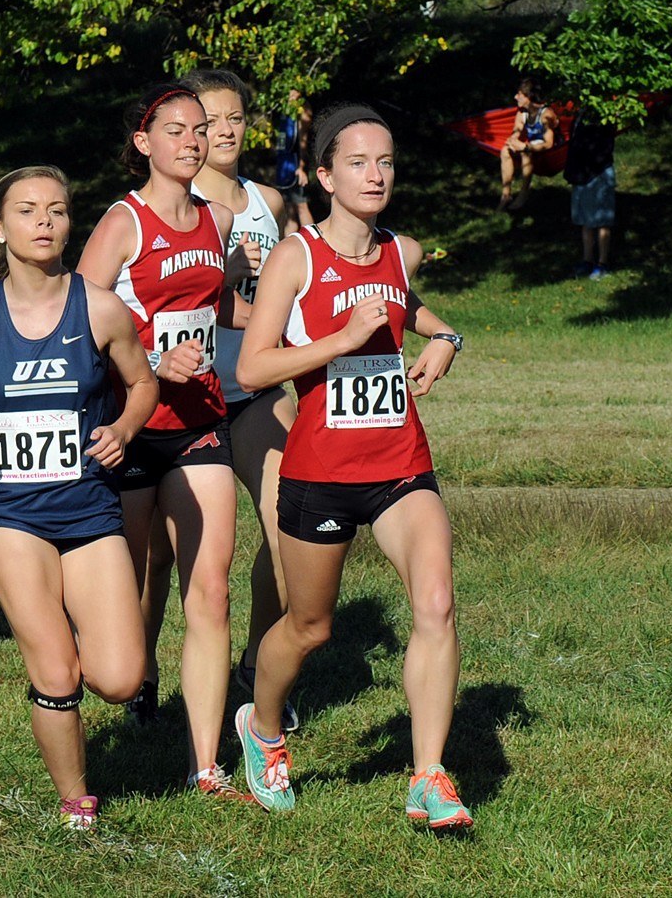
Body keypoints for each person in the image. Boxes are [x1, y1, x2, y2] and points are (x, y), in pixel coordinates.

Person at [233, 104, 473, 830]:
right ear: (324, 175)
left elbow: (411, 304)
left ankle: (428, 777)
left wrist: (446, 337)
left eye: (387, 162)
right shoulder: (296, 257)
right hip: (321, 471)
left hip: (400, 462)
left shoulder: (405, 250)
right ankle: (263, 728)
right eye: (359, 162)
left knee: (435, 603)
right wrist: (339, 340)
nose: (376, 175)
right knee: (309, 627)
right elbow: (252, 364)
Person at [0, 165, 156, 829]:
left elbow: (143, 385)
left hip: (89, 509)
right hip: (12, 515)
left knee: (119, 678)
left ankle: (62, 661)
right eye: (28, 211)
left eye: (57, 210)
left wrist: (121, 427)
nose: (45, 222)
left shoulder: (101, 307)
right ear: (0, 228)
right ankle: (76, 799)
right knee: (57, 671)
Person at [76, 83, 251, 800]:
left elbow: (217, 308)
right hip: (129, 430)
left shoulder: (216, 219)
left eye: (201, 129)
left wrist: (311, 332)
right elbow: (75, 324)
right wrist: (149, 361)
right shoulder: (125, 221)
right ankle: (114, 676)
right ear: (143, 143)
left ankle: (205, 766)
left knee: (209, 591)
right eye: (174, 129)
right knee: (124, 593)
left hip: (201, 423)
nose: (192, 139)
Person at [175, 68, 299, 730]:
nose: (223, 131)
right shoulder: (169, 202)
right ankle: (139, 677)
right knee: (172, 558)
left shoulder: (270, 203)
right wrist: (222, 275)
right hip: (182, 403)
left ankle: (257, 668)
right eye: (209, 120)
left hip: (253, 394)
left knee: (290, 535)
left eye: (234, 119)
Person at [564, 111, 616, 279]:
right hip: (581, 174)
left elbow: (605, 147)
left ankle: (602, 264)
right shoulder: (580, 115)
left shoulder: (604, 114)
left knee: (602, 220)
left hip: (598, 174)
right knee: (585, 220)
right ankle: (587, 260)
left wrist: (592, 166)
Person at [498, 76, 559, 211]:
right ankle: (506, 194)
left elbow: (549, 143)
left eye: (519, 94)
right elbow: (516, 131)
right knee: (504, 150)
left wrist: (524, 146)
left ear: (528, 96)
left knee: (525, 152)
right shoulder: (522, 113)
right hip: (532, 147)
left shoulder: (545, 114)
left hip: (550, 152)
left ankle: (524, 193)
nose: (515, 97)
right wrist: (513, 141)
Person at [275, 89, 314, 236]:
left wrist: (302, 167)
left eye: (294, 91)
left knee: (302, 206)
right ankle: (288, 245)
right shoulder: (284, 111)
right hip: (283, 167)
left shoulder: (303, 110)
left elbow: (303, 141)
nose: (291, 94)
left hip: (295, 165)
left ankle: (314, 242)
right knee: (289, 211)